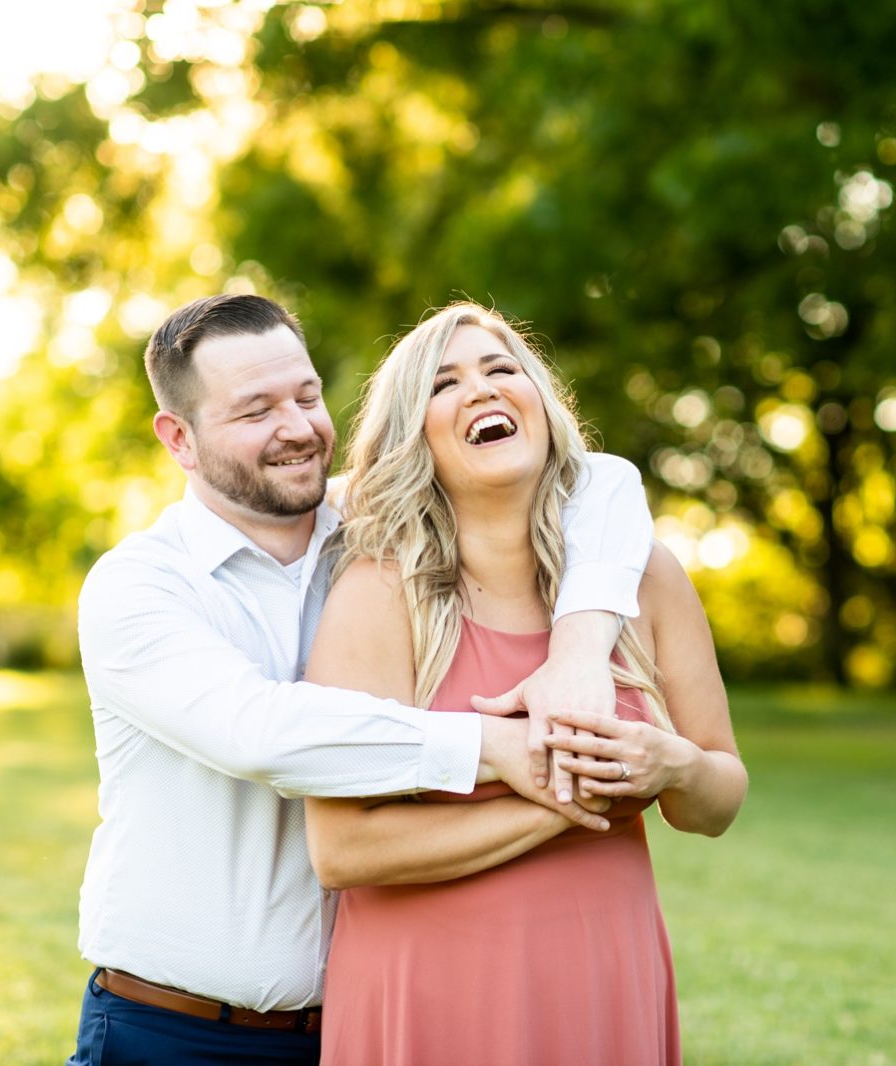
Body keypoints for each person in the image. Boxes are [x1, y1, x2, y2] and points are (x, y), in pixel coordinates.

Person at [66, 293, 655, 1065]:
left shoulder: (377, 531)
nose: (298, 428)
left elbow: (603, 483)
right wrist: (501, 746)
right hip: (177, 1031)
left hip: (364, 1022)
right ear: (178, 437)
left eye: (306, 396)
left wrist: (578, 658)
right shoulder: (141, 587)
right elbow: (262, 734)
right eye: (255, 412)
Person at [304, 302, 749, 1065]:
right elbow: (343, 849)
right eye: (445, 383)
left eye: (502, 369)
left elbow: (719, 795)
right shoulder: (378, 595)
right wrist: (576, 797)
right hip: (430, 990)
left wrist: (673, 768)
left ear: (541, 404)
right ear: (417, 436)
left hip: (601, 971)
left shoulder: (649, 576)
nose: (481, 389)